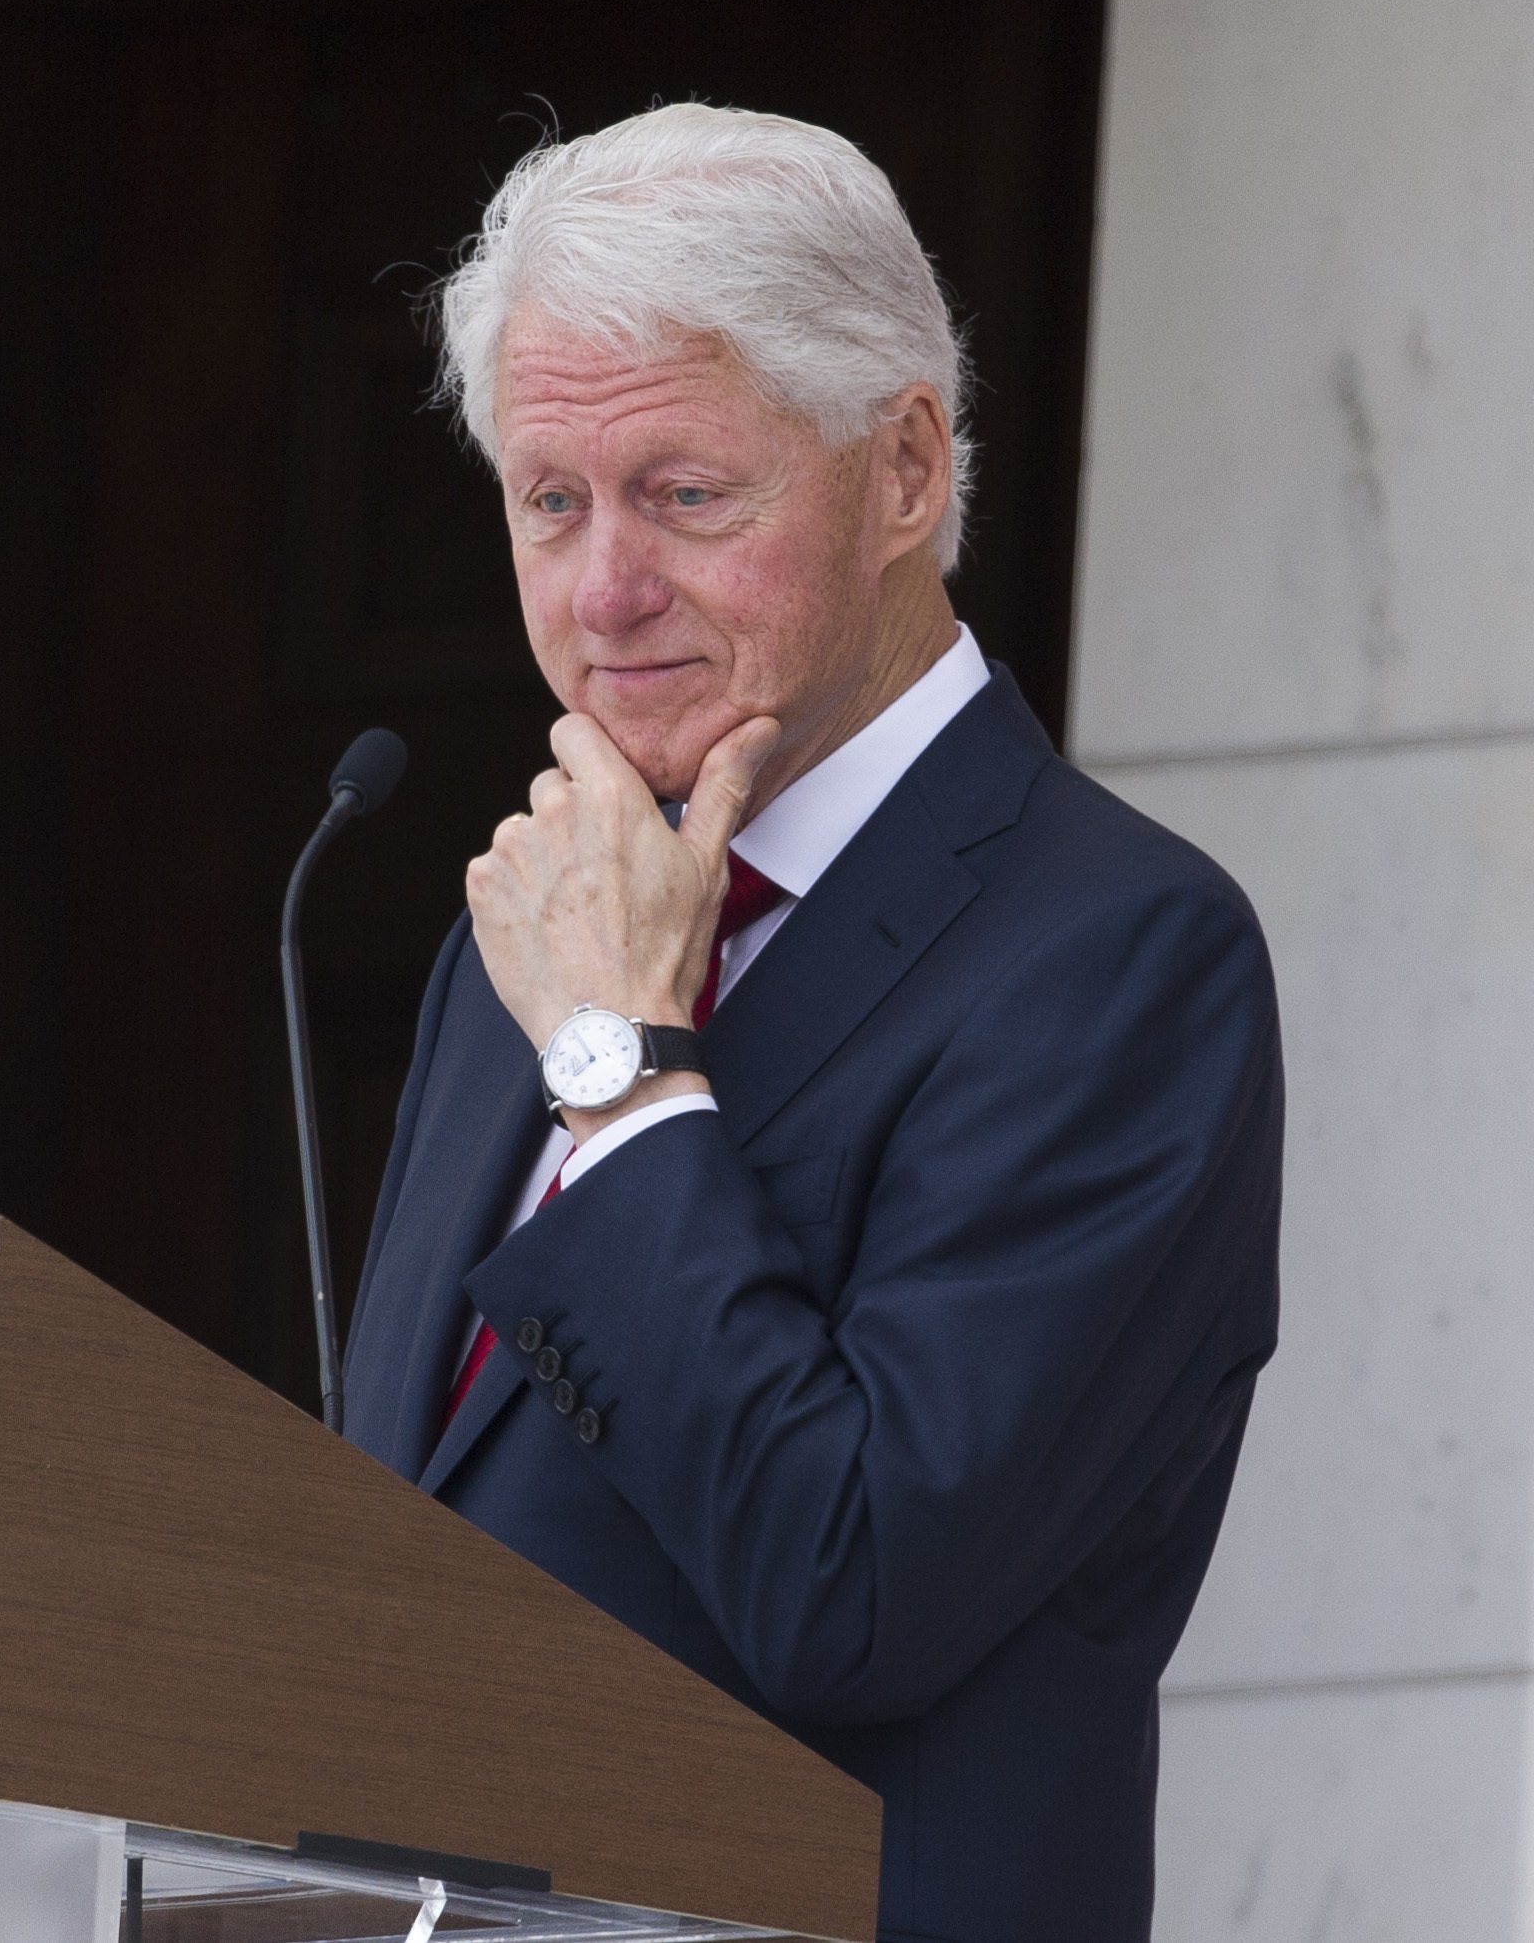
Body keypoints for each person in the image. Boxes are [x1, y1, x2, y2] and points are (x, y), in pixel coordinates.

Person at [340, 104, 1281, 1942]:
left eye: (685, 495)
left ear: (906, 471)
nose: (602, 590)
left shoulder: (1120, 957)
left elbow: (847, 1581)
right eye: (551, 501)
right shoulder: (527, 939)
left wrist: (620, 1075)